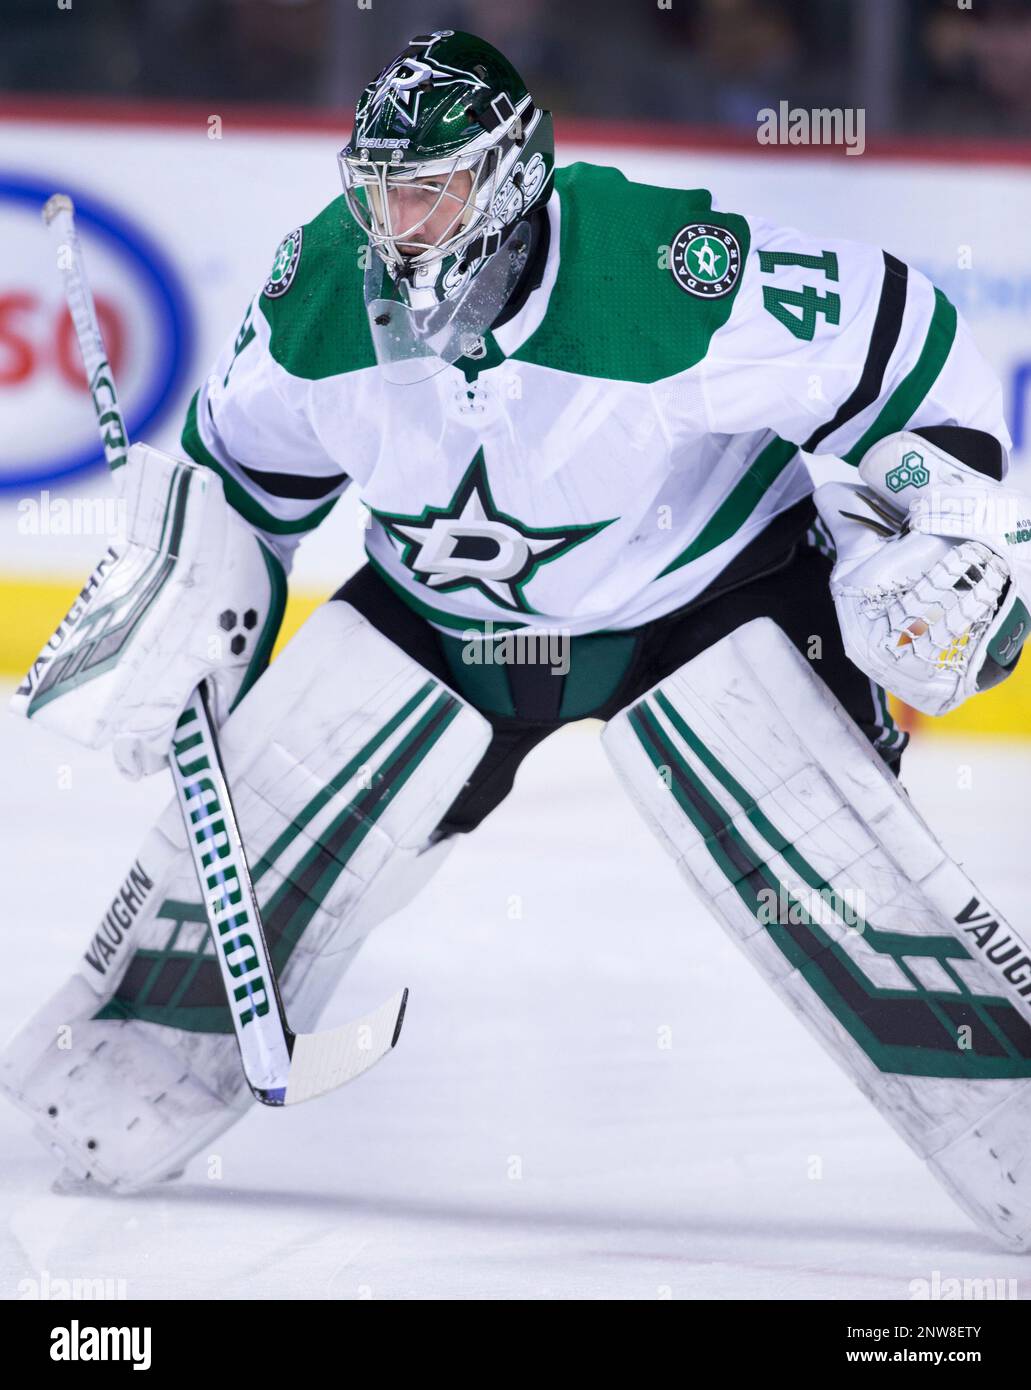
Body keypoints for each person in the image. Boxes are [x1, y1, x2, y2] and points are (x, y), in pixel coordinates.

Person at [4, 30, 1028, 1201]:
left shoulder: (664, 273)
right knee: (250, 828)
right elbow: (240, 482)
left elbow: (902, 341)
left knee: (848, 883)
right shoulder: (321, 293)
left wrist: (934, 524)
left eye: (429, 191)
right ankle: (123, 1086)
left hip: (700, 601)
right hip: (448, 626)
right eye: (380, 190)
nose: (397, 225)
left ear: (511, 178)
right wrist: (184, 608)